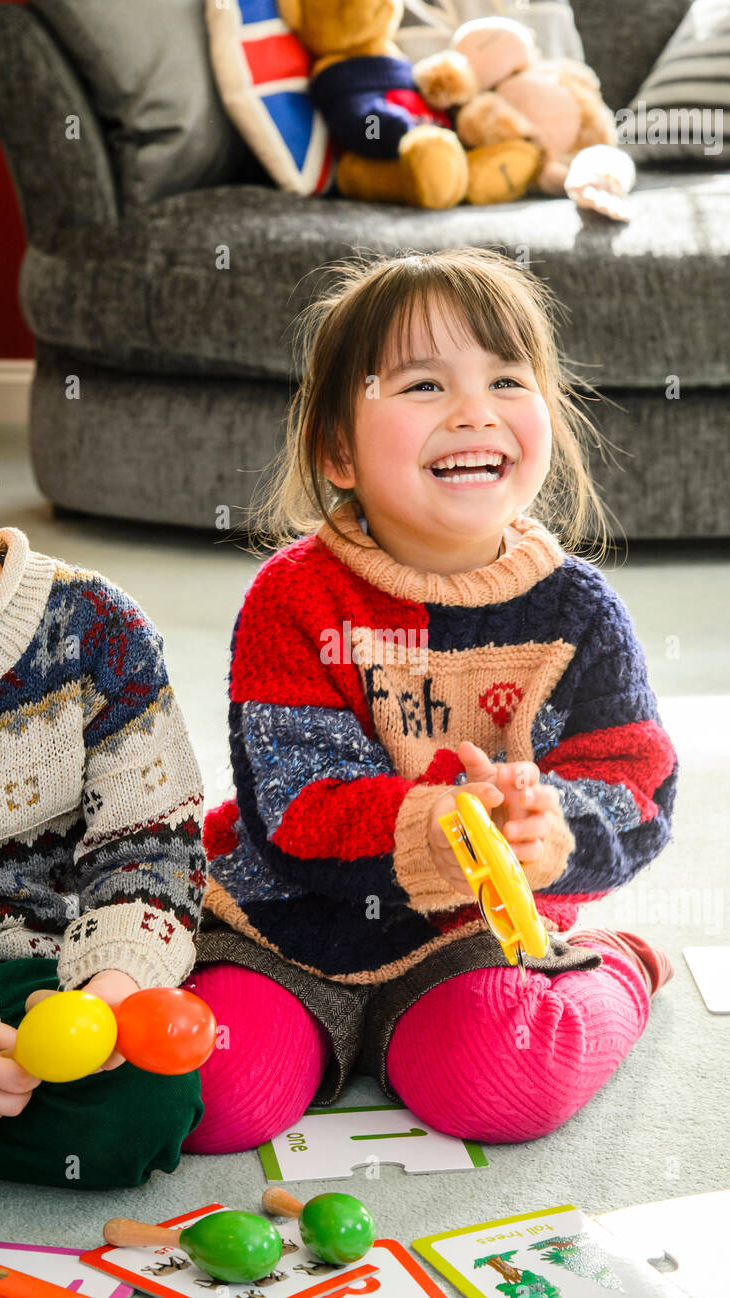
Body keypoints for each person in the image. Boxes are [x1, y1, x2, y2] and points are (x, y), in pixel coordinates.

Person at [183, 247, 678, 1154]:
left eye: (504, 378)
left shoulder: (577, 612)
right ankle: (339, 1030)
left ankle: (621, 968)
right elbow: (294, 810)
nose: (473, 411)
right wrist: (441, 822)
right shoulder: (293, 600)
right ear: (338, 449)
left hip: (473, 932)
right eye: (421, 385)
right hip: (292, 919)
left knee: (501, 1084)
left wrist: (555, 829)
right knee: (207, 1096)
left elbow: (636, 786)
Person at [0, 358, 206, 1187]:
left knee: (147, 1109)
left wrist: (112, 985)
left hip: (43, 965)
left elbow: (151, 842)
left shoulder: (95, 627)